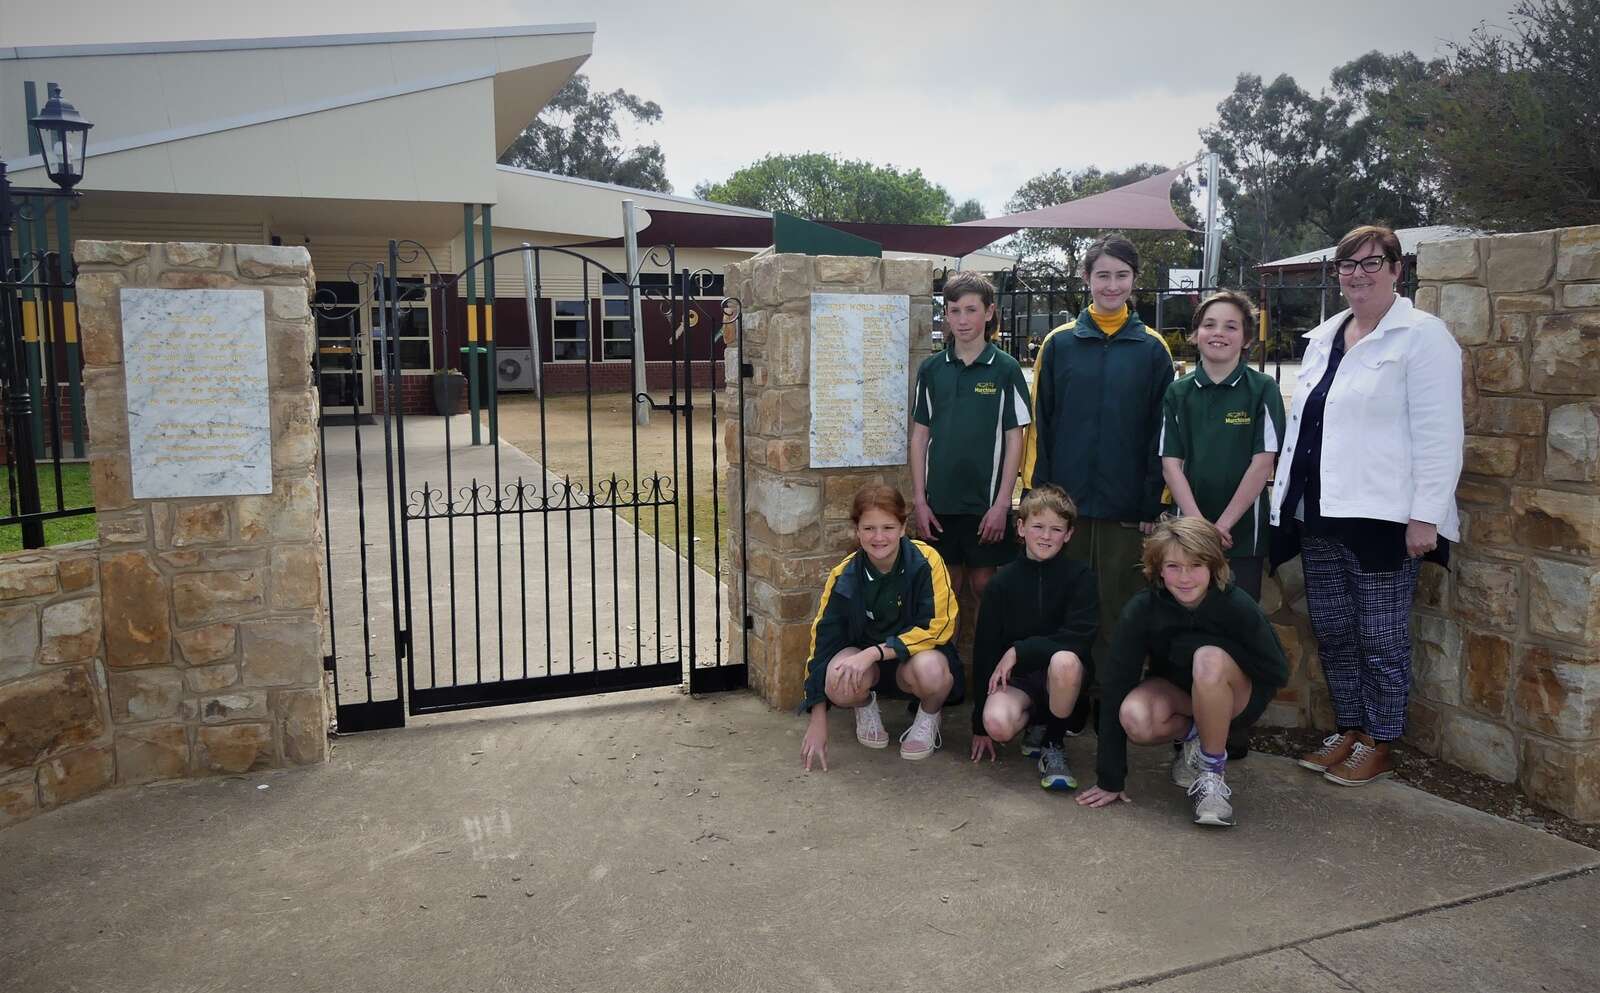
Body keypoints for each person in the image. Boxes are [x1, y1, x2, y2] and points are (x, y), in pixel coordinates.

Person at [1269, 224, 1463, 787]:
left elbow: (1440, 433)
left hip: (1383, 515)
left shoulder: (1423, 338)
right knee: (1334, 628)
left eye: (1370, 263)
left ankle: (1380, 739)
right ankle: (1349, 729)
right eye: (1347, 266)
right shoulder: (1325, 337)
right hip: (1320, 508)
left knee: (1380, 632)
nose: (1357, 275)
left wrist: (1426, 513)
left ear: (1397, 270)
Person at [1023, 234, 1174, 739]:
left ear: (1135, 281)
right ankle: (1065, 706)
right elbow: (1040, 422)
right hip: (1066, 507)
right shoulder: (1060, 343)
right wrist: (1040, 498)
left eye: (1122, 275)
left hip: (1126, 509)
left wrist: (1153, 500)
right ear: (1086, 279)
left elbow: (1161, 429)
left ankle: (1111, 701)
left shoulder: (1152, 349)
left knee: (1117, 611)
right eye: (1102, 274)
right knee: (1063, 608)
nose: (1112, 285)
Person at [1076, 518, 1288, 827]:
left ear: (1213, 566)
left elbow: (1276, 671)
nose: (1185, 578)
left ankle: (1212, 777)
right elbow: (1116, 684)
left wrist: (1203, 651)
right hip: (1180, 696)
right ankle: (1195, 737)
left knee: (1208, 659)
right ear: (1159, 569)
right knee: (1134, 715)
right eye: (1174, 566)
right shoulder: (1143, 609)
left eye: (1196, 566)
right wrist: (1110, 778)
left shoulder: (1236, 605)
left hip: (1234, 698)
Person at [799, 484, 962, 771]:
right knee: (836, 676)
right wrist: (817, 718)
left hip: (913, 663)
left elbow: (939, 626)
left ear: (902, 527)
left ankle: (928, 717)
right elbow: (822, 645)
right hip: (868, 671)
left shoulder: (927, 561)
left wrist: (874, 652)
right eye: (869, 528)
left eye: (888, 527)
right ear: (857, 530)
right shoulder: (845, 575)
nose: (878, 537)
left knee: (933, 672)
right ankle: (864, 706)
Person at [910, 272, 1032, 614]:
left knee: (984, 586)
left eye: (971, 310)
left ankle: (989, 666)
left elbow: (1015, 438)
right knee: (946, 589)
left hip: (985, 503)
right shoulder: (932, 369)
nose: (962, 320)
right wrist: (920, 501)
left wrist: (1002, 503)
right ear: (946, 314)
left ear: (989, 312)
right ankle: (947, 667)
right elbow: (920, 437)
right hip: (940, 504)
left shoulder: (1005, 369)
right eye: (954, 311)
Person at [967, 485, 1098, 791]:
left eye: (1056, 529)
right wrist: (978, 725)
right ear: (1022, 527)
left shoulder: (1081, 577)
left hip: (1066, 677)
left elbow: (1078, 639)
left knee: (1064, 660)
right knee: (997, 724)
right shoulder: (1001, 582)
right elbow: (985, 648)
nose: (1046, 536)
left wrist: (1019, 650)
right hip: (1020, 680)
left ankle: (1053, 744)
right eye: (1038, 526)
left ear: (1068, 534)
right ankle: (1036, 723)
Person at [1160, 290, 1285, 603]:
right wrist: (1199, 527)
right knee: (1186, 626)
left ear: (1246, 339)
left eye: (1231, 326)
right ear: (1196, 333)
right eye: (1209, 324)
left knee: (1238, 626)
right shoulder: (1178, 392)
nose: (1218, 333)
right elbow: (1171, 463)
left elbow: (1263, 463)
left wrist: (1222, 527)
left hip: (1241, 536)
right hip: (1187, 535)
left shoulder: (1262, 389)